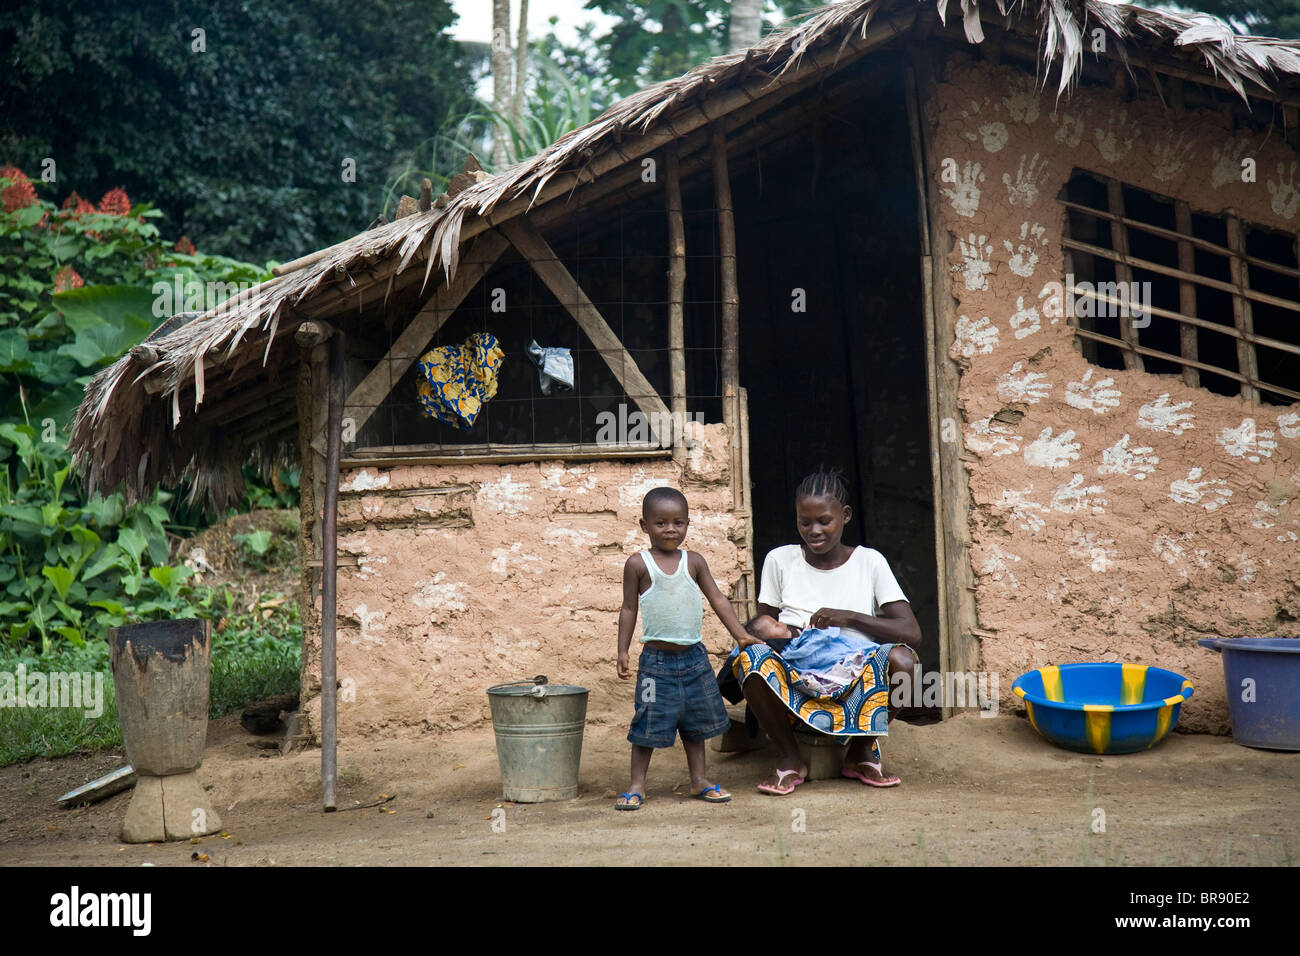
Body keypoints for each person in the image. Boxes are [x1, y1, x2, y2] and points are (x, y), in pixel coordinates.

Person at [733, 470, 921, 795]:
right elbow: (762, 629)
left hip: (855, 675)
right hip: (795, 675)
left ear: (845, 516)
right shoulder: (780, 560)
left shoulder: (869, 562)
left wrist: (848, 617)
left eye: (823, 521)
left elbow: (910, 632)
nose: (813, 531)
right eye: (804, 522)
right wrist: (788, 639)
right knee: (751, 658)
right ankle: (790, 759)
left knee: (905, 661)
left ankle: (861, 751)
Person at [615, 487, 762, 810]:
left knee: (695, 722)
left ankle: (699, 781)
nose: (670, 530)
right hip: (655, 664)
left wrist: (740, 635)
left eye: (678, 523)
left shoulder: (693, 562)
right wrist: (623, 650)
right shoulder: (638, 565)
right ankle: (636, 785)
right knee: (647, 720)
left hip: (695, 661)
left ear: (688, 524)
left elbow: (718, 599)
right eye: (661, 523)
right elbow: (628, 609)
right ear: (644, 525)